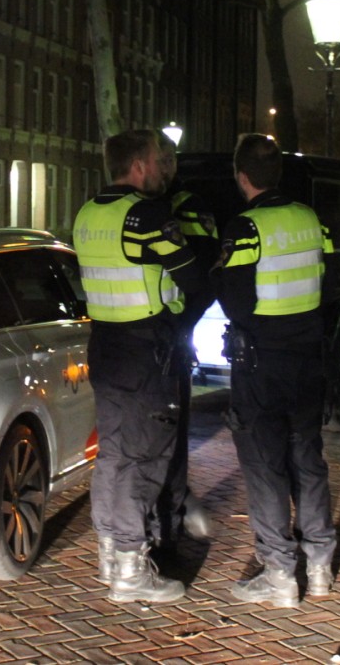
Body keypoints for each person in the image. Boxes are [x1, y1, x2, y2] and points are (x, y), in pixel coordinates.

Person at [72, 128, 208, 604]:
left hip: (106, 344)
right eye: (156, 161)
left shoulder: (88, 212)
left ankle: (110, 549)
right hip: (146, 348)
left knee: (113, 452)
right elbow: (191, 275)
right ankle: (131, 567)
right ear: (138, 167)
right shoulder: (145, 215)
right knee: (147, 455)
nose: (161, 169)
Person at [214, 133, 337, 607]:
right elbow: (324, 285)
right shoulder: (311, 219)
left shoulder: (245, 227)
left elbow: (238, 301)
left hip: (261, 362)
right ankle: (321, 565)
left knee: (265, 467)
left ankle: (280, 574)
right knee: (307, 459)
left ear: (241, 177)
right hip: (308, 356)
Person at [150, 132, 218, 549]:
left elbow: (205, 278)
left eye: (164, 161)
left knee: (171, 436)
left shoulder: (189, 208)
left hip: (170, 340)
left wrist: (181, 326)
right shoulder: (139, 210)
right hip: (139, 341)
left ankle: (169, 521)